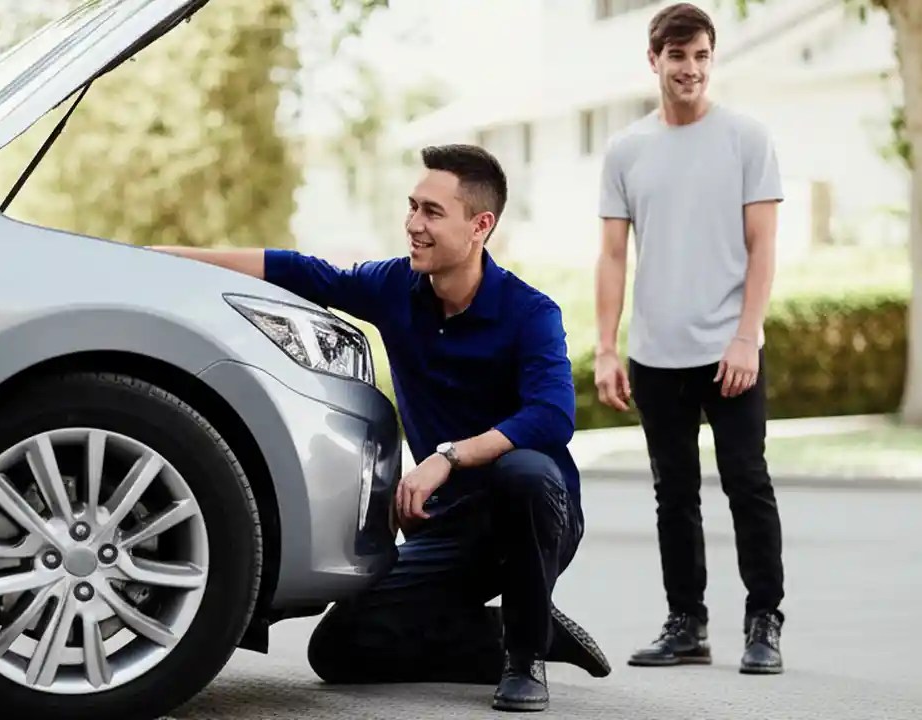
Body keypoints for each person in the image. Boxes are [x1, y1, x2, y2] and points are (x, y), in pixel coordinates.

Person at [151, 143, 610, 712]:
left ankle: (524, 660)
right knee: (341, 650)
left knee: (526, 471)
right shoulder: (397, 288)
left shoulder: (530, 312)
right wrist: (157, 259)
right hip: (447, 529)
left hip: (535, 518)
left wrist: (448, 456)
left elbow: (552, 415)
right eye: (413, 207)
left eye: (433, 213)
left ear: (480, 226)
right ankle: (527, 626)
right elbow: (301, 272)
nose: (413, 224)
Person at [593, 2, 786, 675]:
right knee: (673, 493)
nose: (691, 69)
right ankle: (688, 623)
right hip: (655, 354)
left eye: (702, 55)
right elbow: (613, 255)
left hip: (730, 352)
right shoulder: (626, 149)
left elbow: (762, 249)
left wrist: (746, 337)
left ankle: (765, 620)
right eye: (678, 56)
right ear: (655, 61)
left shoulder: (747, 138)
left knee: (747, 483)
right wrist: (608, 347)